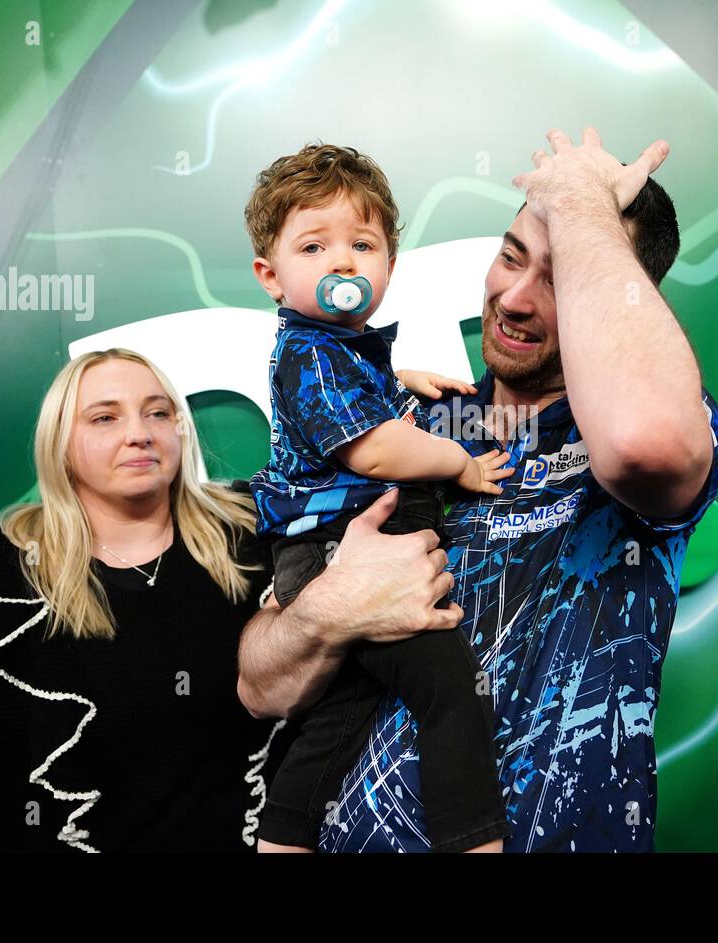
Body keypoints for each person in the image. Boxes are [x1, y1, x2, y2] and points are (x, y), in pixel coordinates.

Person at [238, 127, 718, 852]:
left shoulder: (652, 426)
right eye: (510, 257)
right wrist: (329, 613)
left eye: (563, 278)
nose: (518, 297)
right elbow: (261, 685)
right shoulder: (415, 424)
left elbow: (643, 442)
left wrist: (580, 203)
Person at [0, 349, 283, 852]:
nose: (140, 433)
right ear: (60, 444)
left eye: (158, 412)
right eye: (105, 417)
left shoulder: (256, 538)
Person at [242, 143, 513, 853]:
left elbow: (362, 408)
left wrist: (404, 382)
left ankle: (282, 840)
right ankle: (476, 842)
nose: (342, 262)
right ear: (271, 275)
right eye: (314, 245)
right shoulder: (311, 352)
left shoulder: (339, 349)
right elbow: (375, 450)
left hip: (321, 549)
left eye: (363, 244)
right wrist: (457, 459)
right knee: (453, 691)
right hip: (344, 547)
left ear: (390, 262)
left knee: (344, 709)